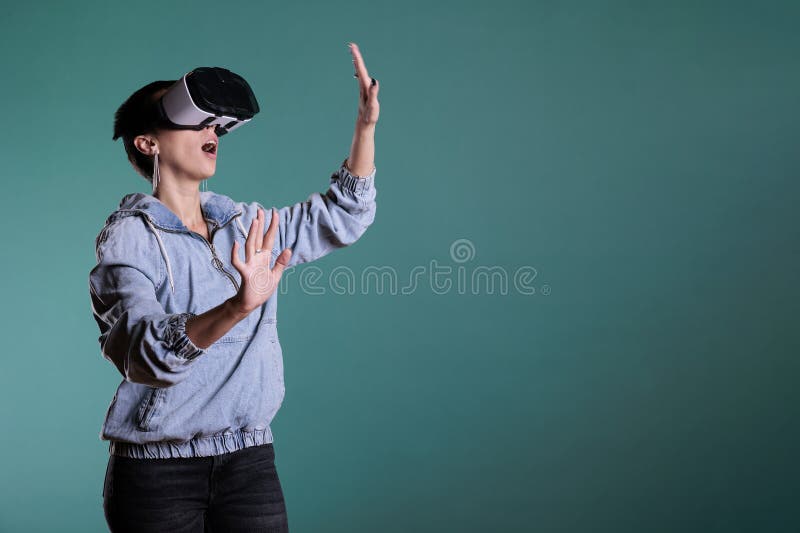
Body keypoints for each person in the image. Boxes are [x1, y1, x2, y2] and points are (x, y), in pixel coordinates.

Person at [89, 42, 380, 532]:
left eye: (214, 125)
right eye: (193, 120)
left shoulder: (245, 226)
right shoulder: (129, 239)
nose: (210, 132)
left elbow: (341, 216)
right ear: (147, 143)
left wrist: (365, 127)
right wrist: (238, 306)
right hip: (158, 473)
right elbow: (142, 353)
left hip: (249, 461)